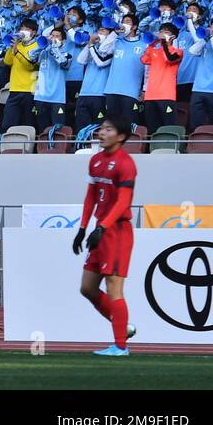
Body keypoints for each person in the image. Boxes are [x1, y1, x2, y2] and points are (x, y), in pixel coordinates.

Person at [74, 116, 138, 356]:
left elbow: (123, 202)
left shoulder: (126, 163)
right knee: (87, 288)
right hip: (100, 229)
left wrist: (103, 227)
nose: (101, 132)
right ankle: (122, 326)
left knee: (114, 288)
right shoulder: (95, 160)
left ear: (120, 137)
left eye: (108, 129)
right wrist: (82, 228)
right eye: (101, 129)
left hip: (117, 230)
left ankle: (121, 346)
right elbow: (91, 196)